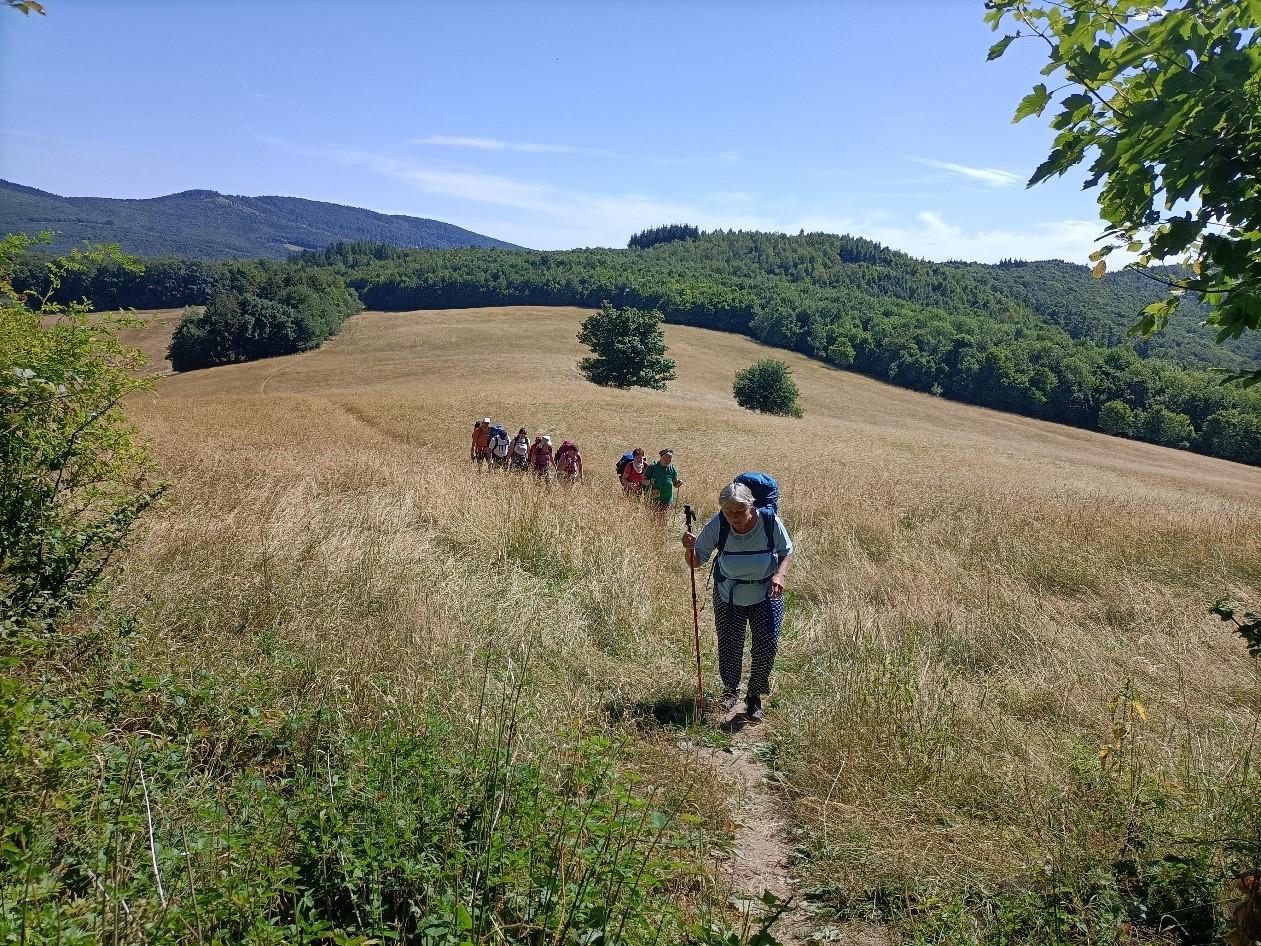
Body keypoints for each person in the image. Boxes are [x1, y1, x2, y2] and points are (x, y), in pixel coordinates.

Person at [681, 481, 793, 721]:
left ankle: (754, 696)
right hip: (728, 595)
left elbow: (786, 550)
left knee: (767, 646)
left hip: (766, 594)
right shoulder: (718, 524)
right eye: (728, 511)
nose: (734, 517)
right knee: (730, 643)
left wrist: (779, 574)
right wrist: (689, 549)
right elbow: (696, 561)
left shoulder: (769, 521)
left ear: (751, 506)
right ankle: (730, 690)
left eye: (740, 511)